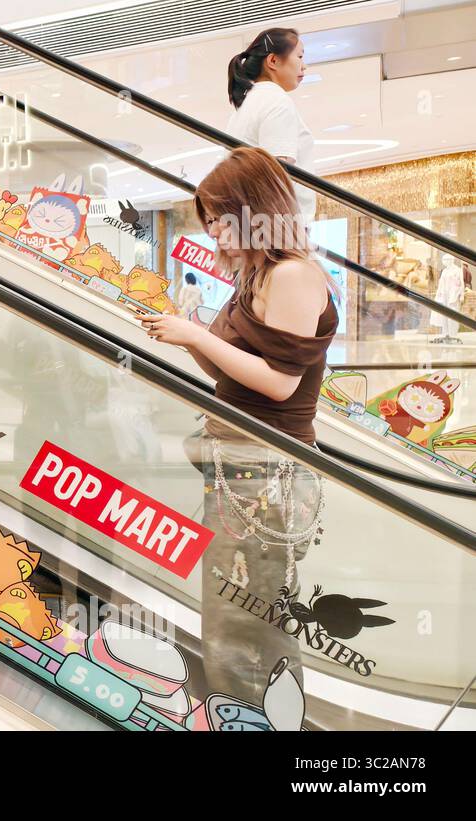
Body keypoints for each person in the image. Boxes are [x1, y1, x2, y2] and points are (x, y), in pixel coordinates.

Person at [141, 146, 337, 711]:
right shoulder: (260, 275)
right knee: (237, 616)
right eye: (210, 224)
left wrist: (198, 336)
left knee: (248, 621)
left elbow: (279, 384)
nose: (217, 236)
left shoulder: (294, 274)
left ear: (256, 210)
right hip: (243, 468)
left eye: (222, 221)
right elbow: (236, 374)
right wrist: (189, 331)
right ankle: (245, 718)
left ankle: (256, 721)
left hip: (267, 470)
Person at [225, 28, 316, 223]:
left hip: (253, 224)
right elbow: (277, 174)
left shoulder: (246, 104)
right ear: (273, 61)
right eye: (299, 56)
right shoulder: (276, 100)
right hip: (277, 228)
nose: (304, 66)